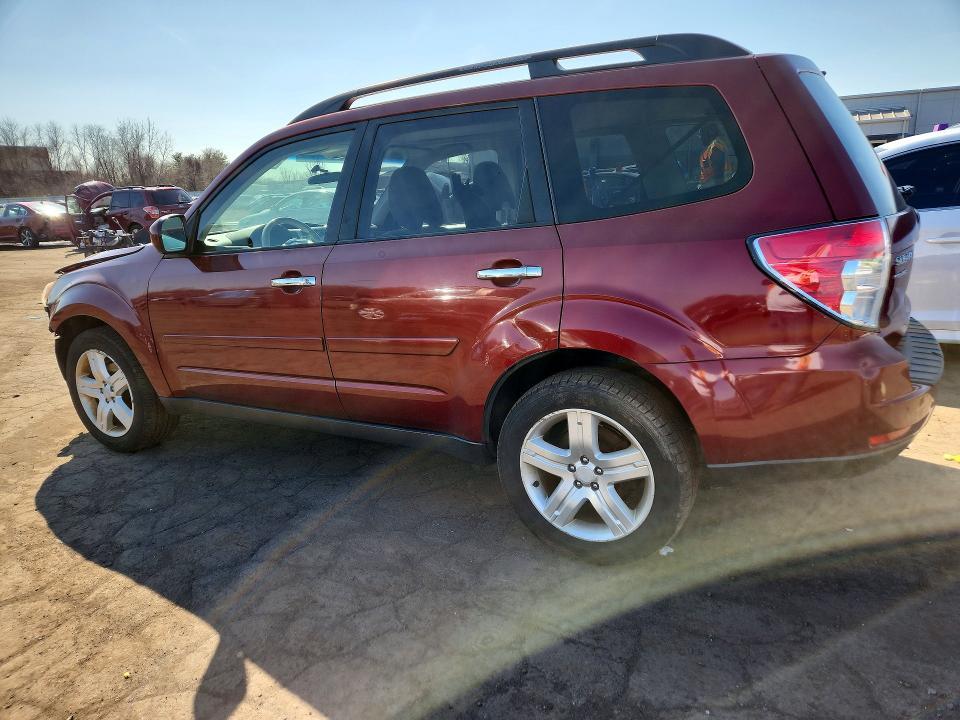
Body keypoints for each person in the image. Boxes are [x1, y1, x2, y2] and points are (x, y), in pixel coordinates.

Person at [698, 123, 730, 188]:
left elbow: (719, 174)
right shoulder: (711, 147)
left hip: (718, 188)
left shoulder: (716, 147)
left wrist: (706, 186)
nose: (699, 137)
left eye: (701, 134)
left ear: (710, 133)